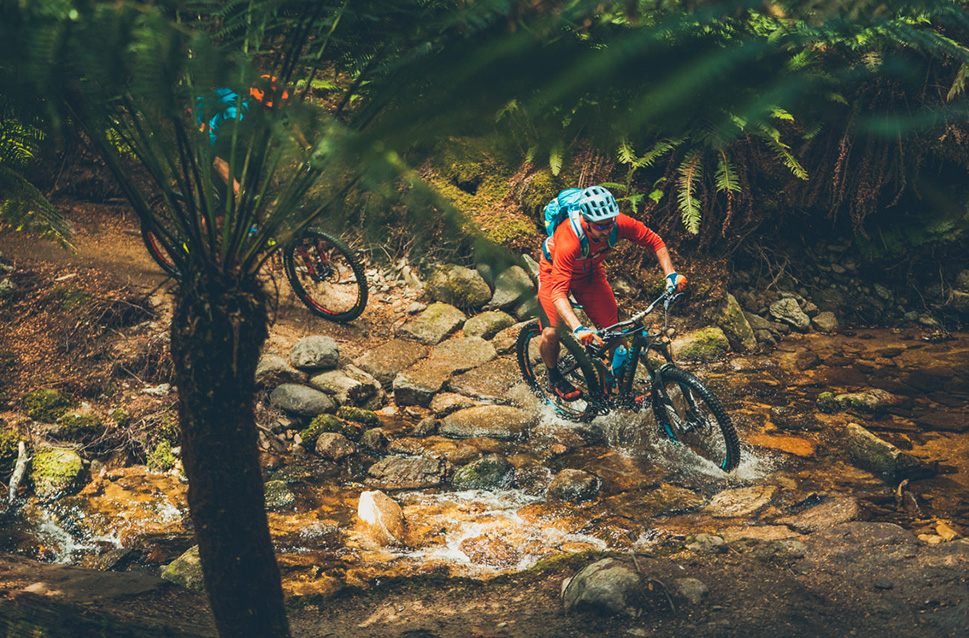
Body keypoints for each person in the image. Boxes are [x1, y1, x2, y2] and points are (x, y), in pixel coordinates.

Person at [537, 184, 687, 401]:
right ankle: (553, 377)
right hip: (554, 274)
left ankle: (617, 393)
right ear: (586, 221)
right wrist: (577, 327)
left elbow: (655, 241)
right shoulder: (569, 239)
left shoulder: (618, 223)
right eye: (600, 226)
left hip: (590, 274)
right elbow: (559, 292)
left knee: (615, 334)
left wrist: (671, 274)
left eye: (610, 223)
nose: (607, 230)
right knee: (551, 333)